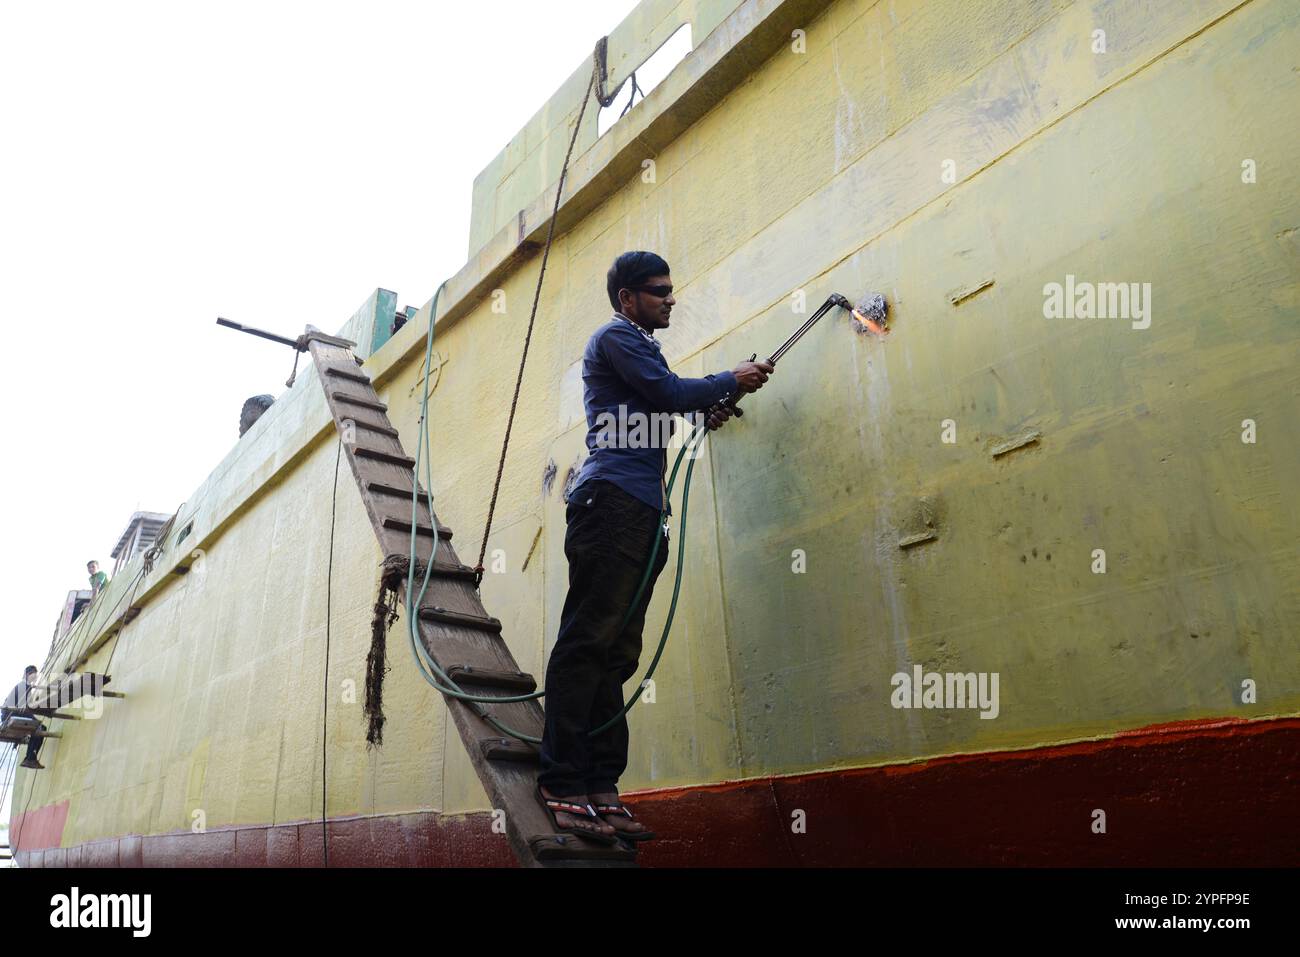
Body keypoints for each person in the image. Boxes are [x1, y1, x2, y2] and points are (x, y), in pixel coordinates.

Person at [536, 251, 773, 842]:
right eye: (659, 290)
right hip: (611, 505)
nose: (671, 298)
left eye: (671, 289)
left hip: (639, 510)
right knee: (589, 640)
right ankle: (562, 781)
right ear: (627, 299)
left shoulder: (637, 349)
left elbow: (655, 407)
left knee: (616, 653)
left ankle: (600, 786)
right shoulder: (618, 337)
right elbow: (666, 392)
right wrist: (727, 381)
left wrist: (707, 406)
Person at [2, 666, 46, 770]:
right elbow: (23, 707)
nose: (35, 676)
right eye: (33, 674)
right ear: (27, 675)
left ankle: (30, 758)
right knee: (41, 728)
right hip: (11, 714)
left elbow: (25, 706)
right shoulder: (23, 686)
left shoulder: (25, 687)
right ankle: (30, 759)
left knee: (38, 726)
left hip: (10, 714)